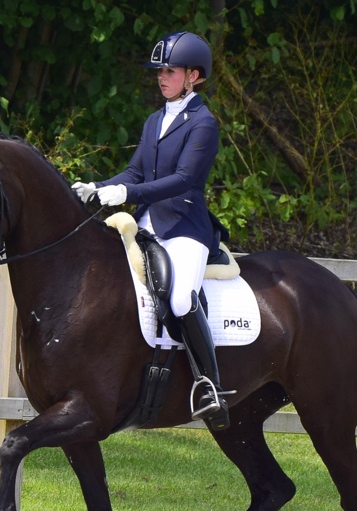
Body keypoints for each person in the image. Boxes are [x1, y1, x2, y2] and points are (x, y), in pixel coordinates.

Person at [71, 31, 232, 430]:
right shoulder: (155, 120)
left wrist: (128, 191)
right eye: (159, 70)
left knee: (179, 298)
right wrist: (100, 188)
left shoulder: (204, 124)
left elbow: (183, 179)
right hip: (145, 223)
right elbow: (136, 173)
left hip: (184, 227)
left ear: (193, 76)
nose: (162, 77)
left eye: (170, 71)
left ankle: (208, 385)